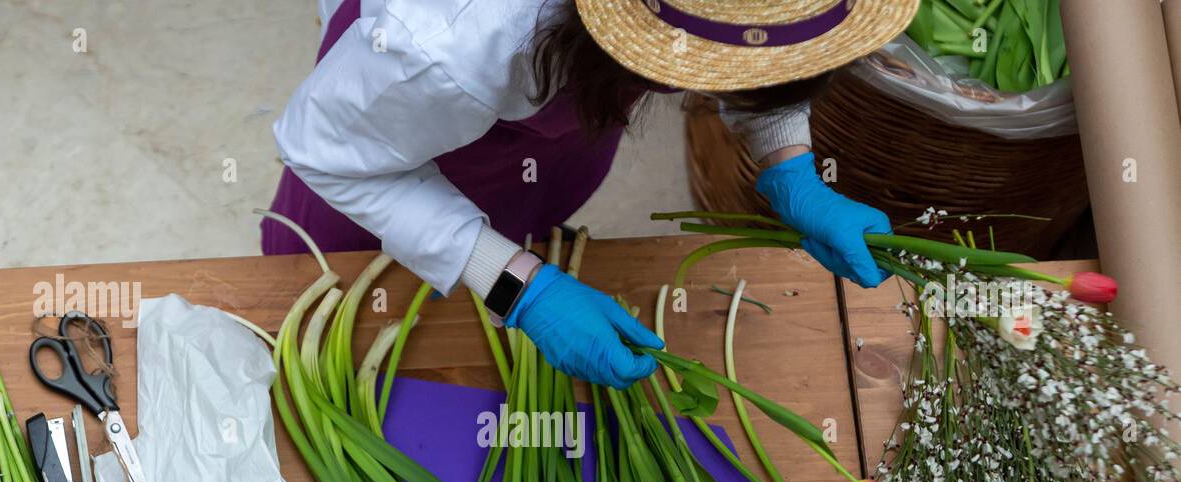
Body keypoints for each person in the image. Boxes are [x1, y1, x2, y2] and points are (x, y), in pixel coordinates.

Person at [267, 0, 918, 388]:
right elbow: (332, 157)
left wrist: (791, 167)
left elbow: (750, 46)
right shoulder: (454, 42)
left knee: (511, 226)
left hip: (532, 155)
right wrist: (518, 286)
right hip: (377, 165)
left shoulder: (700, 23)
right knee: (346, 324)